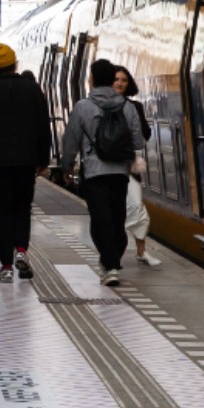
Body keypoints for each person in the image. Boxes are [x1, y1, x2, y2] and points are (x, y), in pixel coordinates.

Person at [59, 58, 146, 286]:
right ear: (111, 80)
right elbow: (138, 141)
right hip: (120, 171)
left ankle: (110, 265)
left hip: (94, 171)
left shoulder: (83, 107)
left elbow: (71, 140)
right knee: (118, 218)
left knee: (100, 219)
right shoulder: (127, 107)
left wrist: (66, 166)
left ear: (93, 80)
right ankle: (113, 259)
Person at [0, 43, 51, 282]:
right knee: (22, 209)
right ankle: (22, 252)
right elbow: (43, 127)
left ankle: (6, 265)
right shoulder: (33, 90)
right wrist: (42, 160)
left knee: (2, 213)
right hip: (26, 162)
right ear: (15, 64)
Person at [114, 65, 161, 268]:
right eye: (116, 79)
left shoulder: (135, 107)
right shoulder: (97, 105)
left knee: (136, 207)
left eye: (124, 80)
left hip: (128, 166)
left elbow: (144, 136)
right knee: (111, 212)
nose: (120, 83)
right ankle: (110, 256)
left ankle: (141, 251)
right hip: (104, 167)